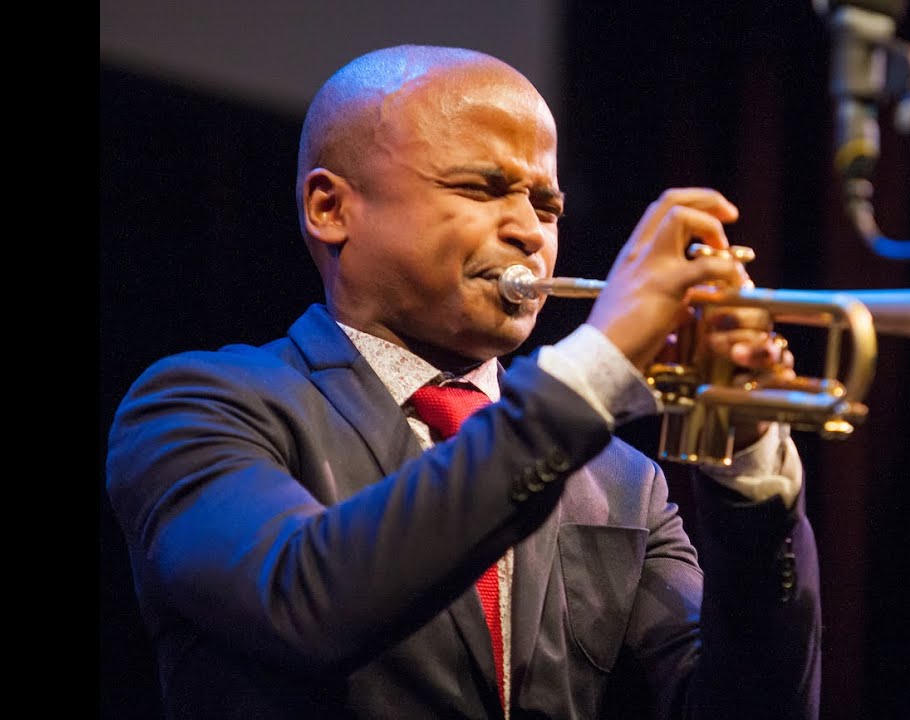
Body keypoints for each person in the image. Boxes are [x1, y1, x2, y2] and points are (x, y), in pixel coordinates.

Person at [105, 44, 821, 719]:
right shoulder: (197, 407)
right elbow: (307, 602)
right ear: (331, 208)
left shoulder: (622, 481)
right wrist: (599, 364)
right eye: (483, 189)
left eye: (547, 207)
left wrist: (752, 474)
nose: (529, 232)